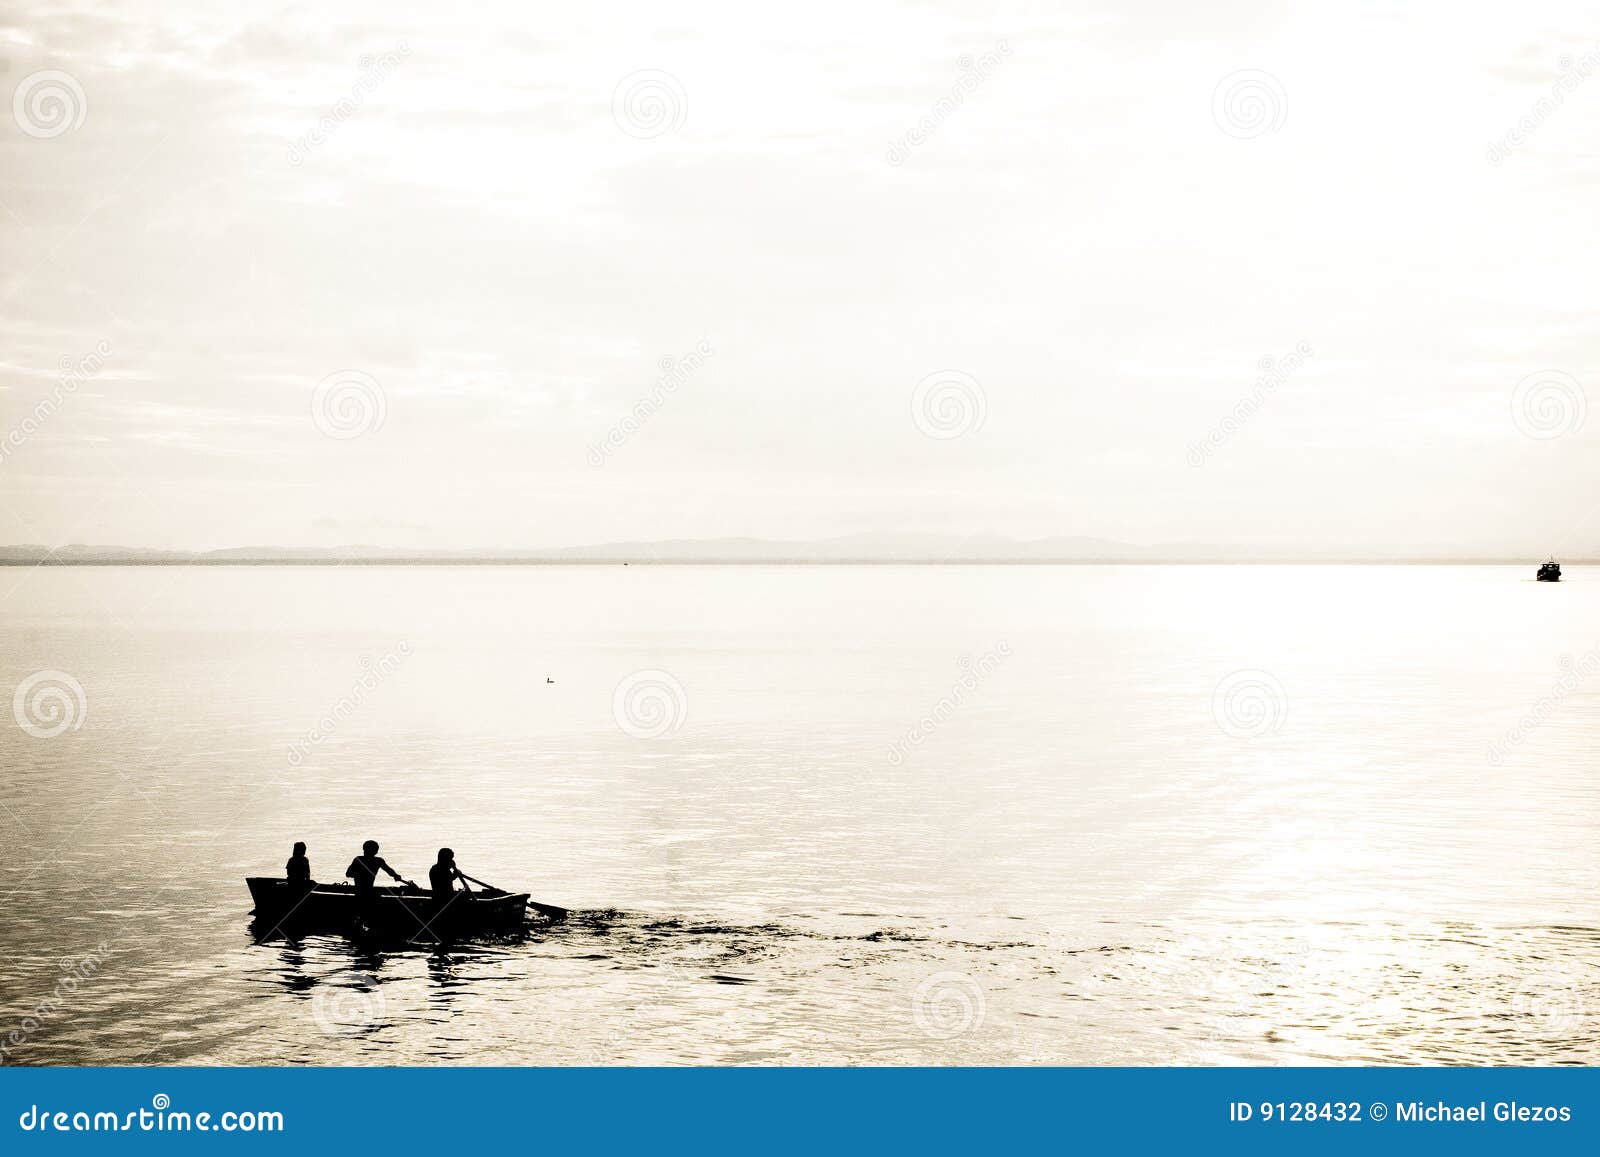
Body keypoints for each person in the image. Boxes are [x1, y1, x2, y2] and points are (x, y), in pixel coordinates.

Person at [345, 840, 410, 907]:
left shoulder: (360, 860)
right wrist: (395, 875)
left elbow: (390, 871)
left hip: (362, 892)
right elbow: (348, 874)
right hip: (361, 892)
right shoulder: (374, 861)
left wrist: (395, 875)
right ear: (376, 851)